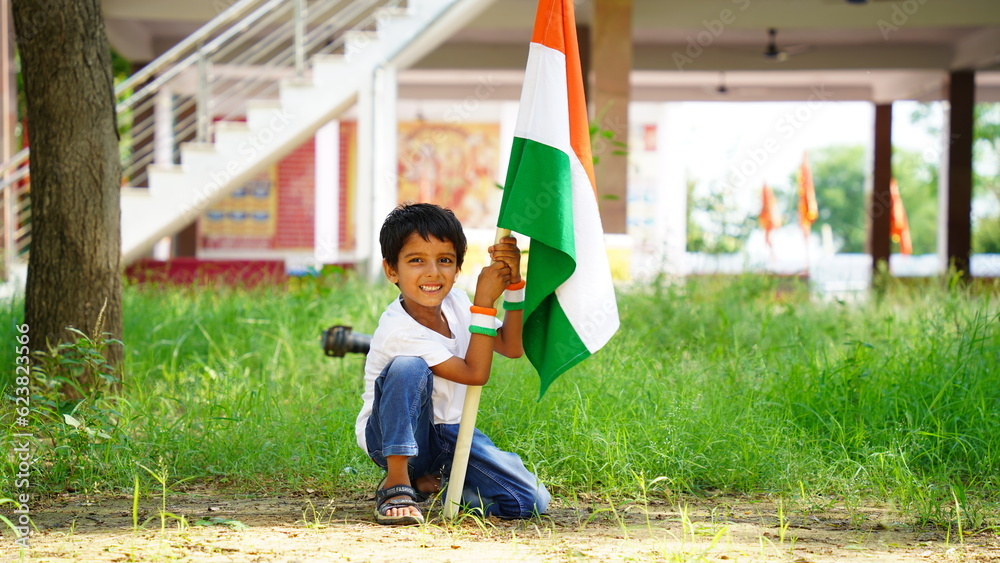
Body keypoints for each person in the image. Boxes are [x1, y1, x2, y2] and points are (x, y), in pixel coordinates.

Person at [355, 202, 550, 525]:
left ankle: (443, 486)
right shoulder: (397, 330)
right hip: (395, 437)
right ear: (391, 270)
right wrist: (485, 303)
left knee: (528, 500)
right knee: (408, 367)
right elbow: (476, 373)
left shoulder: (457, 302)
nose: (432, 272)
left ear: (458, 268)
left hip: (452, 434)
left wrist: (513, 284)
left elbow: (512, 347)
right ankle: (397, 483)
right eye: (416, 260)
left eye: (444, 261)